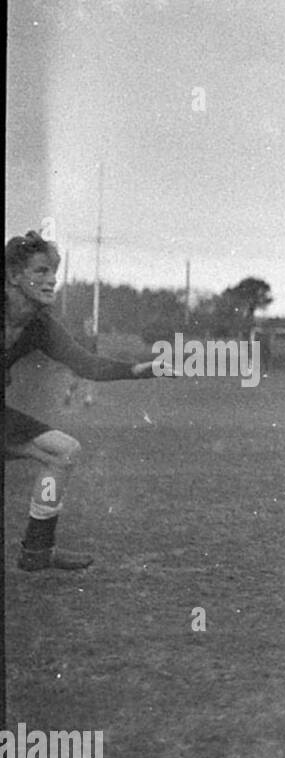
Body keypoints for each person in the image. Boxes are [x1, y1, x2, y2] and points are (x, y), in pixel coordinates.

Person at [5, 231, 174, 570]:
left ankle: (37, 551)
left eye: (54, 272)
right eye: (40, 271)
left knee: (63, 451)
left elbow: (88, 365)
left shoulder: (40, 325)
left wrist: (146, 369)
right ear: (13, 275)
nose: (52, 280)